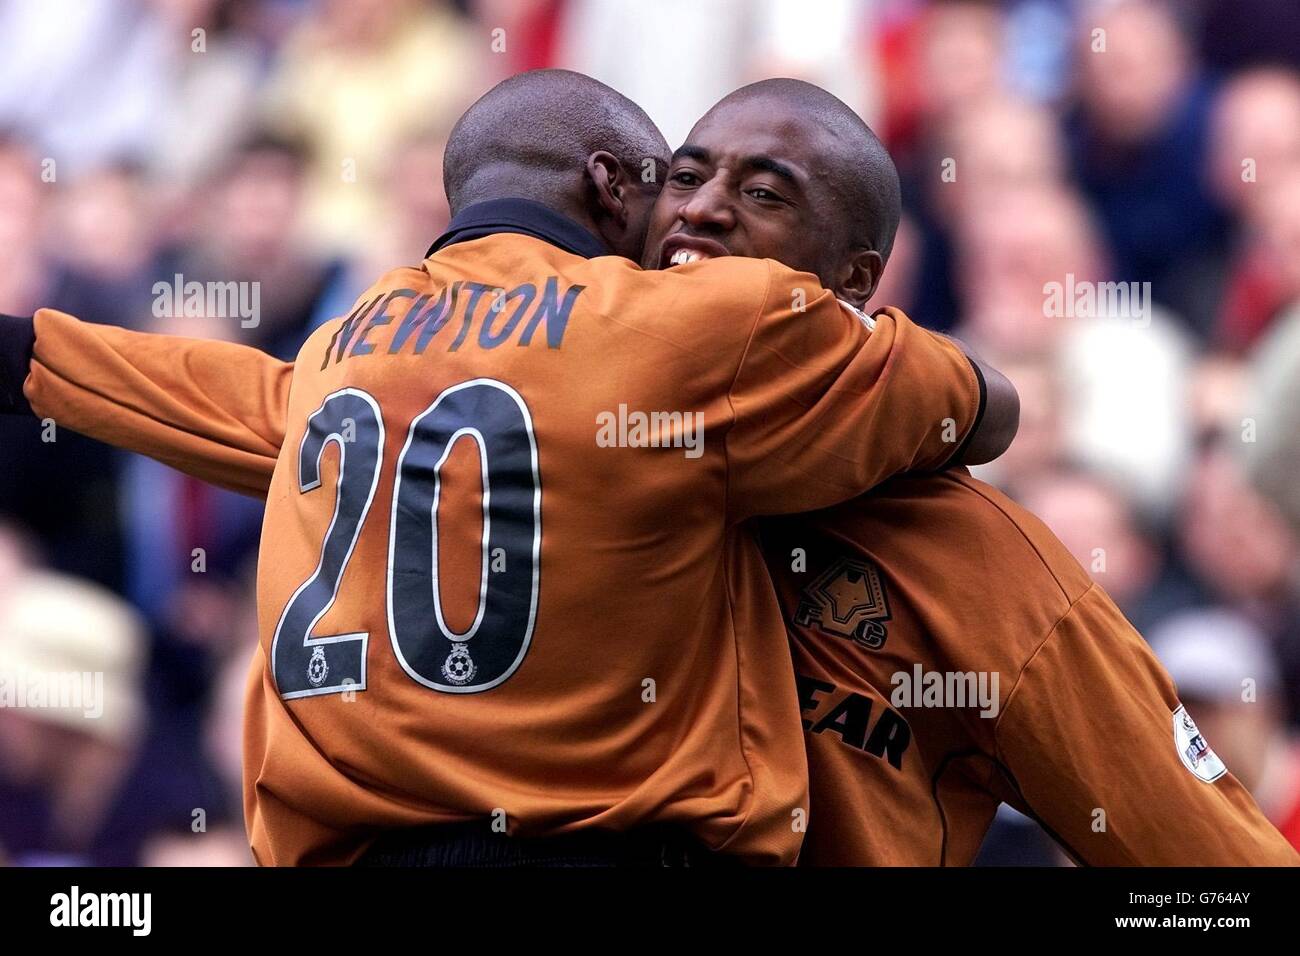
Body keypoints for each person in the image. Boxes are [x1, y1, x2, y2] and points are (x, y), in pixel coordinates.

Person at [0, 70, 1017, 866]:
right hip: (593, 851)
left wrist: (31, 356)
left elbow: (185, 388)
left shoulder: (335, 349)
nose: (683, 222)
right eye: (671, 184)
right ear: (609, 184)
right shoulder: (694, 324)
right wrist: (968, 379)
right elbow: (964, 404)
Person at [638, 78, 1294, 864]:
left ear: (854, 279)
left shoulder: (974, 556)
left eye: (765, 193)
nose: (701, 208)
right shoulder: (549, 455)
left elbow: (1216, 872)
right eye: (684, 176)